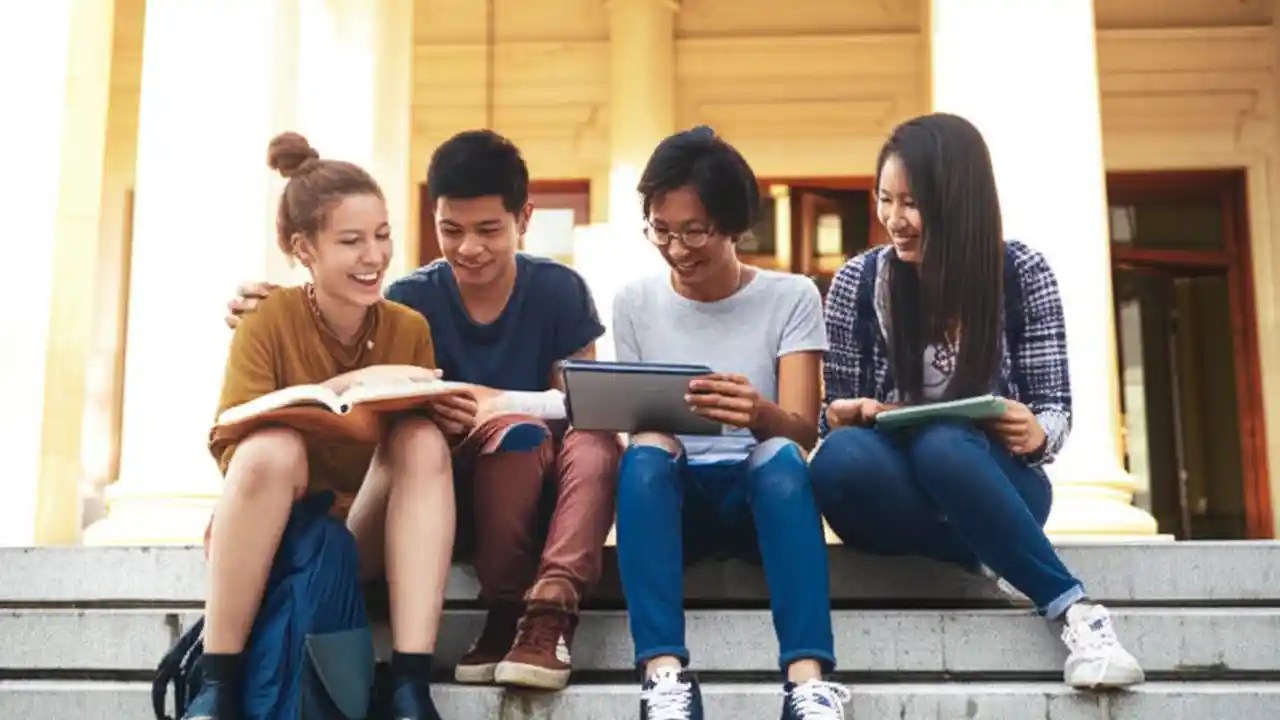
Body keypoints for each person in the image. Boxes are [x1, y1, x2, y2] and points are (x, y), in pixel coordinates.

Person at [226, 129, 621, 692]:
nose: (469, 248)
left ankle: (548, 611)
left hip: (544, 485)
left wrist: (497, 403)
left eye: (489, 230)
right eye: (450, 230)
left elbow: (582, 401)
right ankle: (506, 610)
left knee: (586, 438)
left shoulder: (559, 290)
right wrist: (276, 305)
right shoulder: (411, 302)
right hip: (451, 494)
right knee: (505, 438)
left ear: (524, 218)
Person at [808, 112, 1145, 690]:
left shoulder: (1022, 271)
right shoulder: (858, 283)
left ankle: (1075, 613)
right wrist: (851, 412)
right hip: (894, 492)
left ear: (958, 201)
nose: (894, 220)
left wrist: (1038, 431)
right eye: (884, 199)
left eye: (912, 203)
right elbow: (833, 413)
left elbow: (1054, 406)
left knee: (944, 444)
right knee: (837, 462)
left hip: (996, 477)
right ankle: (987, 548)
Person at [195, 132, 455, 720]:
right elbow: (232, 449)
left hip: (357, 531)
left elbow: (407, 464)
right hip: (272, 534)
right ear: (303, 249)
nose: (374, 256)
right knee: (273, 448)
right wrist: (326, 403)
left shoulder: (407, 327)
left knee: (420, 437)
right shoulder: (267, 319)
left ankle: (412, 683)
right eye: (351, 241)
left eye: (383, 235)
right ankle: (218, 682)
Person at [611, 126, 850, 720]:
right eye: (661, 230)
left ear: (736, 226)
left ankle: (807, 682)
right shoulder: (635, 301)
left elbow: (803, 432)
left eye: (695, 231)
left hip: (757, 503)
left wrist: (759, 414)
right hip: (675, 504)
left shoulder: (791, 296)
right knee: (644, 452)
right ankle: (664, 679)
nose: (677, 248)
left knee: (781, 459)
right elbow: (635, 424)